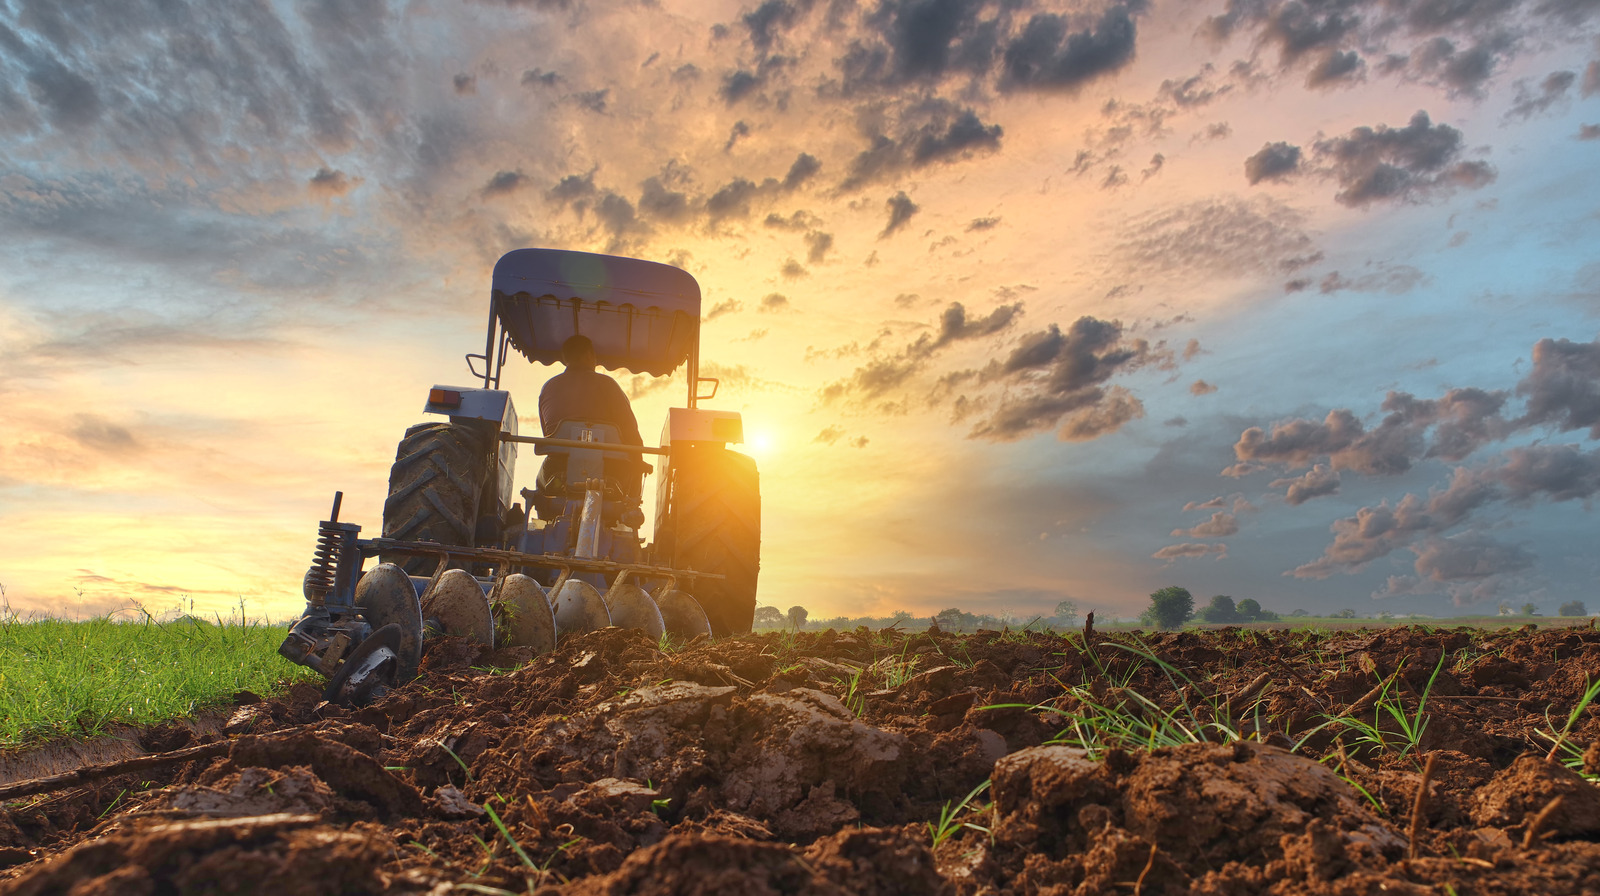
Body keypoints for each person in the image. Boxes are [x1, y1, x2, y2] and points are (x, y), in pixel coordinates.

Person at [534, 335, 646, 513]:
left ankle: (548, 516)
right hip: (612, 474)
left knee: (541, 483)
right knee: (635, 463)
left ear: (566, 358)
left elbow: (548, 436)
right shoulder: (609, 385)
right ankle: (631, 512)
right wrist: (638, 466)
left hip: (557, 473)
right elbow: (631, 433)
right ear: (588, 354)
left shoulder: (548, 388)